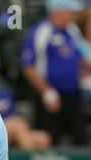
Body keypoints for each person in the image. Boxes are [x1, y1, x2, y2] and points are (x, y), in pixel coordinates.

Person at [21, 0, 88, 146]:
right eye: (69, 12)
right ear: (58, 12)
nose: (72, 16)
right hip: (50, 96)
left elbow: (80, 55)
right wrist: (46, 91)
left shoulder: (72, 30)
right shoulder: (41, 31)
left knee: (80, 137)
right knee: (50, 140)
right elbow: (28, 66)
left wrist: (82, 72)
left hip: (73, 94)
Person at [0, 73, 51, 151]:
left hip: (9, 129)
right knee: (17, 125)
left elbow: (13, 114)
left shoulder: (4, 93)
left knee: (43, 138)